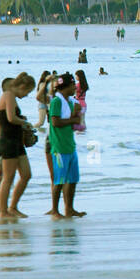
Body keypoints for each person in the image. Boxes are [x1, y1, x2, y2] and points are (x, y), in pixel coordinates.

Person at [0, 73, 37, 220]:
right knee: (8, 178)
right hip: (9, 141)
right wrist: (25, 123)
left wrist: (22, 120)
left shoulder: (11, 98)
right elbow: (11, 118)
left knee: (26, 174)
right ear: (22, 87)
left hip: (16, 141)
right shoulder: (8, 95)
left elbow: (1, 117)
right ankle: (3, 211)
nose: (26, 95)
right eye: (27, 92)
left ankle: (13, 207)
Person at [48, 73, 85, 218]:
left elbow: (74, 123)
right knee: (59, 180)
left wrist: (76, 118)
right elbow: (55, 122)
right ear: (66, 87)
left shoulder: (70, 102)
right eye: (72, 86)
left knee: (73, 179)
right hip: (59, 147)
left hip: (70, 145)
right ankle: (55, 210)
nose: (75, 89)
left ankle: (69, 208)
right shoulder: (57, 101)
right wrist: (73, 120)